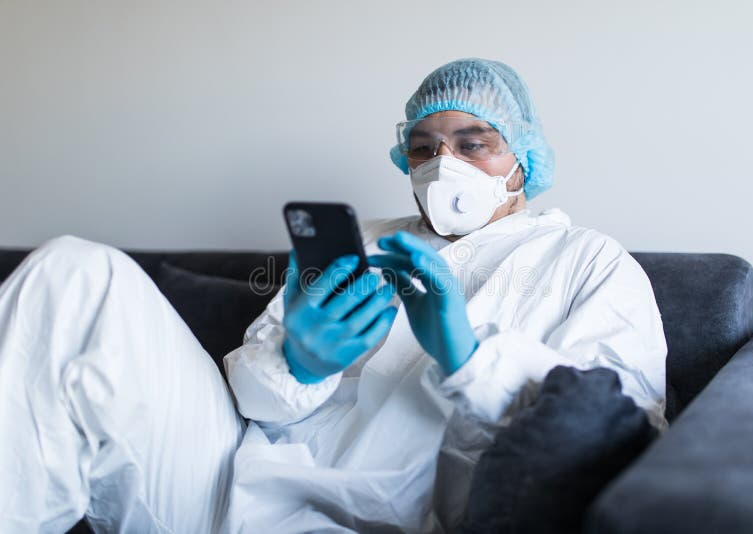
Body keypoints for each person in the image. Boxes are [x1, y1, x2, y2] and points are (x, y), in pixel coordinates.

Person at [0, 58, 667, 533]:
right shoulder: (363, 241)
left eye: (475, 144)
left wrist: (469, 358)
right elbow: (251, 405)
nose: (444, 165)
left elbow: (618, 427)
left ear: (524, 158)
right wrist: (298, 364)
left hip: (396, 518)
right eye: (423, 147)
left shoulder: (586, 262)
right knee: (75, 272)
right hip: (226, 496)